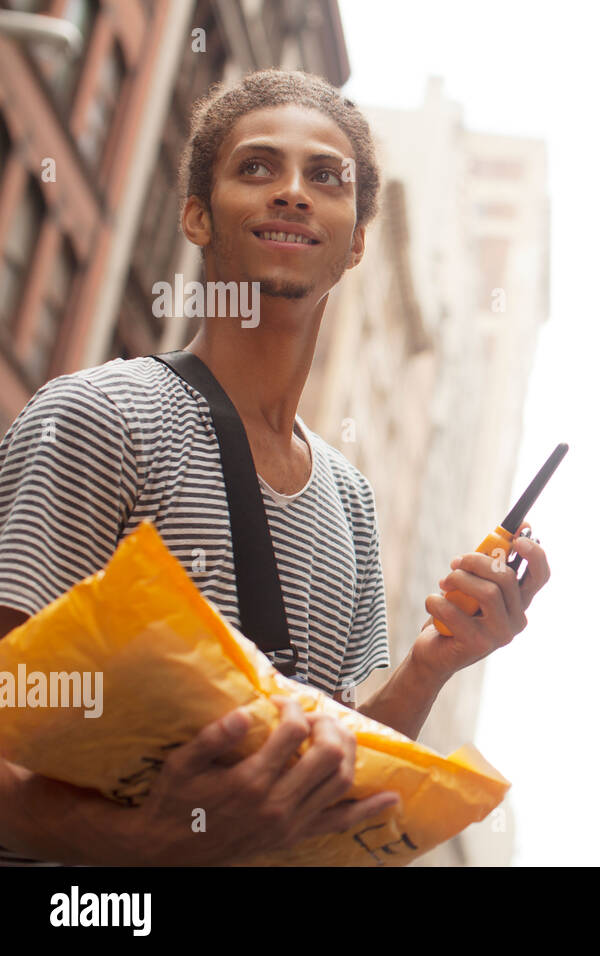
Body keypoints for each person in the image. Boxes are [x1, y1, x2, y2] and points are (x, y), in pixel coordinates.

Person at [0, 69, 550, 865]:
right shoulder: (99, 417)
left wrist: (435, 661)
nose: (293, 192)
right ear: (197, 214)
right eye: (257, 168)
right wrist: (150, 840)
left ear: (356, 238)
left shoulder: (350, 501)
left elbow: (324, 792)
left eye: (327, 178)